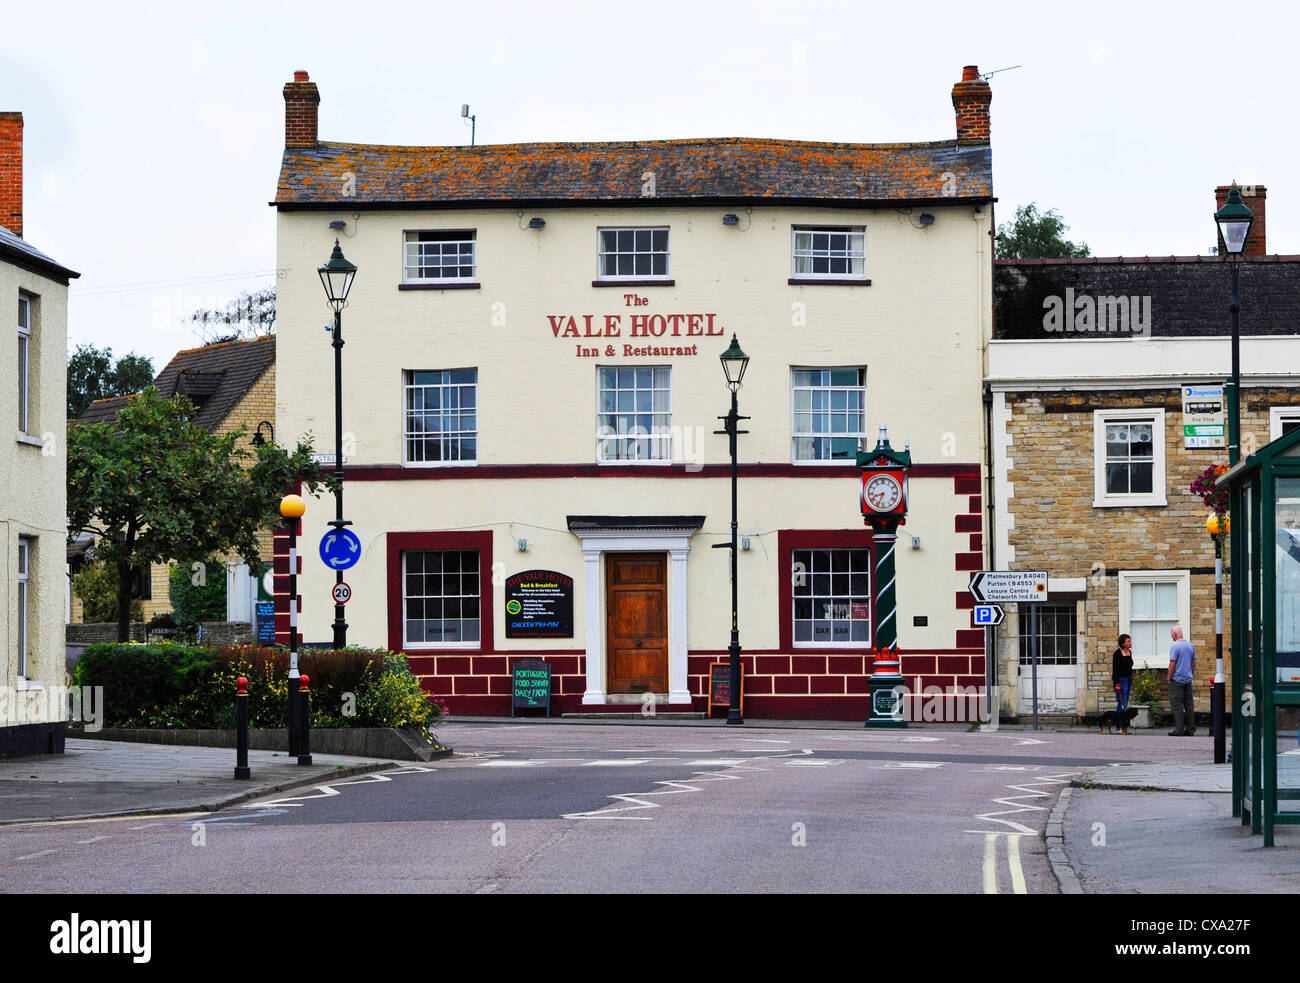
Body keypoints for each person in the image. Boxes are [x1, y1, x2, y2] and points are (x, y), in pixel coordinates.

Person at [1167, 625, 1197, 736]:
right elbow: (1194, 662)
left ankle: (1179, 730)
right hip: (1188, 679)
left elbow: (1172, 663)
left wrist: (1169, 677)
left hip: (1177, 679)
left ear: (1175, 634)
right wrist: (1190, 673)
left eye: (1171, 634)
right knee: (1189, 705)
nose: (1171, 636)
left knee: (1177, 705)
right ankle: (1190, 729)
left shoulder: (1175, 646)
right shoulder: (1190, 645)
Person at [1112, 633, 1134, 712]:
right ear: (1123, 644)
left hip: (1128, 679)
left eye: (1130, 641)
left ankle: (1122, 721)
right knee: (1122, 702)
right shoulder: (1117, 654)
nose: (1130, 643)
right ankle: (1119, 721)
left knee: (1125, 701)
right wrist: (1117, 683)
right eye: (1128, 641)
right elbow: (1115, 670)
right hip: (1121, 680)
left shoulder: (1129, 652)